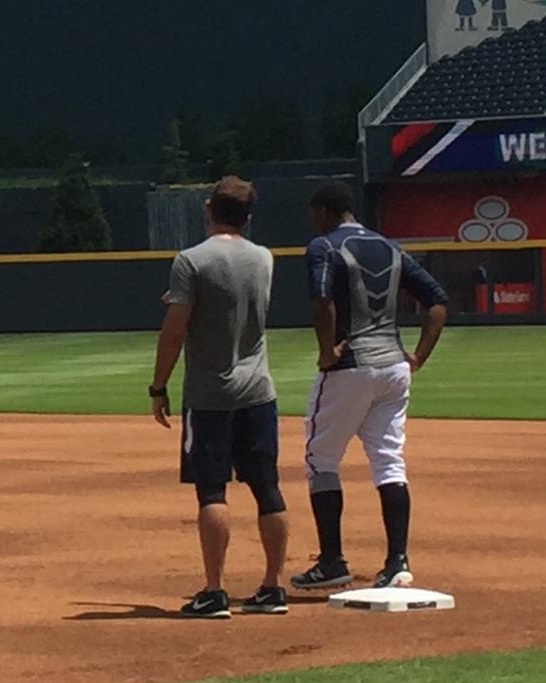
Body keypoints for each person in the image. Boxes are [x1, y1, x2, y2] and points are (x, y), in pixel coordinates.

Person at [290, 180, 448, 592]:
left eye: (313, 213)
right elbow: (437, 303)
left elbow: (321, 300)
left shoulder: (323, 247)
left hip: (349, 367)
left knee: (320, 459)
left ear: (324, 211)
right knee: (388, 460)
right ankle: (397, 561)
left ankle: (331, 561)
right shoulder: (391, 247)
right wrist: (419, 356)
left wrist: (326, 350)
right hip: (395, 365)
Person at [150, 176, 289, 619]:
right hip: (258, 390)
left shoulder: (190, 260)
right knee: (267, 488)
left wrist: (158, 386)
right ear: (248, 215)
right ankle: (273, 587)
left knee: (212, 491)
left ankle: (215, 591)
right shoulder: (264, 258)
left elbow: (174, 332)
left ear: (208, 208)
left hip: (210, 393)